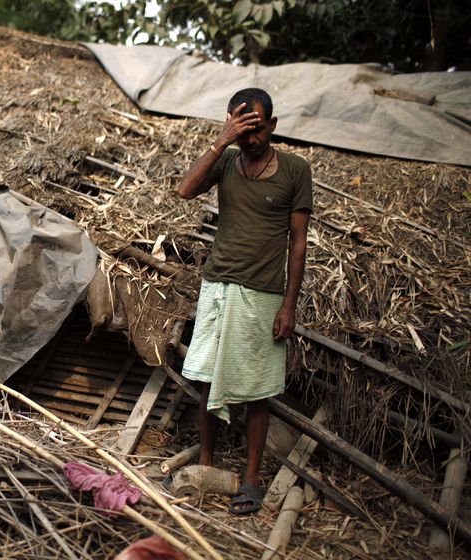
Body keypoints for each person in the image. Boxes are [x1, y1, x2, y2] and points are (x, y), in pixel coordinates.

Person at [175, 88, 312, 515]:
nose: (250, 137)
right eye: (242, 127)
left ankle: (251, 482)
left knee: (257, 391)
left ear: (271, 125)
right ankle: (205, 468)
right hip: (218, 286)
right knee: (208, 381)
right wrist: (220, 141)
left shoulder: (294, 170)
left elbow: (299, 243)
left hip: (263, 293)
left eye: (256, 127)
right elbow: (184, 190)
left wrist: (288, 306)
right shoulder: (228, 161)